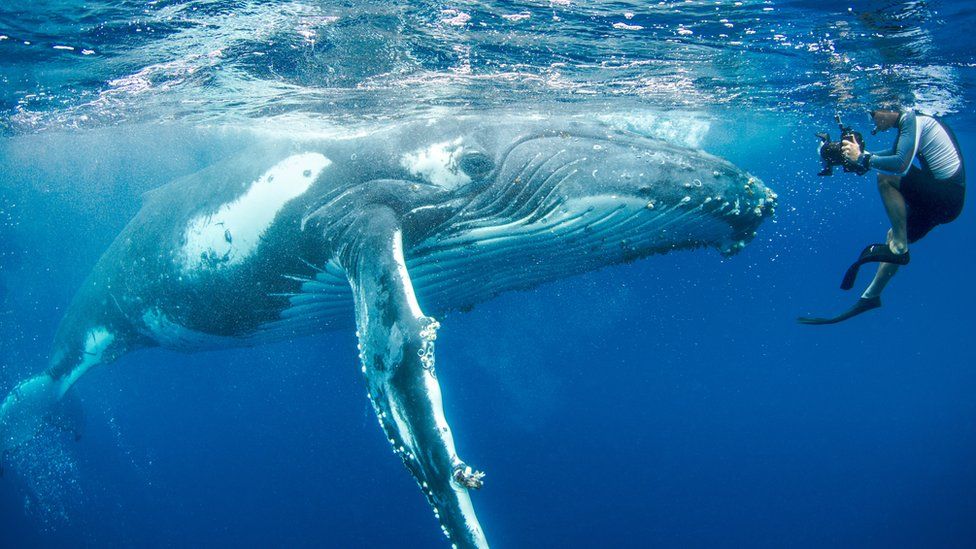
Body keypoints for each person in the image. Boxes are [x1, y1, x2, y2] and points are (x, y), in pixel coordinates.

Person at [799, 104, 966, 325]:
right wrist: (862, 157)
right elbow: (893, 155)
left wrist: (863, 159)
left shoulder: (913, 120)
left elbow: (899, 164)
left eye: (873, 114)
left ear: (889, 109)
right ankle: (871, 296)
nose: (872, 120)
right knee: (894, 234)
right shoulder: (908, 123)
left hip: (947, 197)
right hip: (945, 202)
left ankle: (899, 248)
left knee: (885, 179)